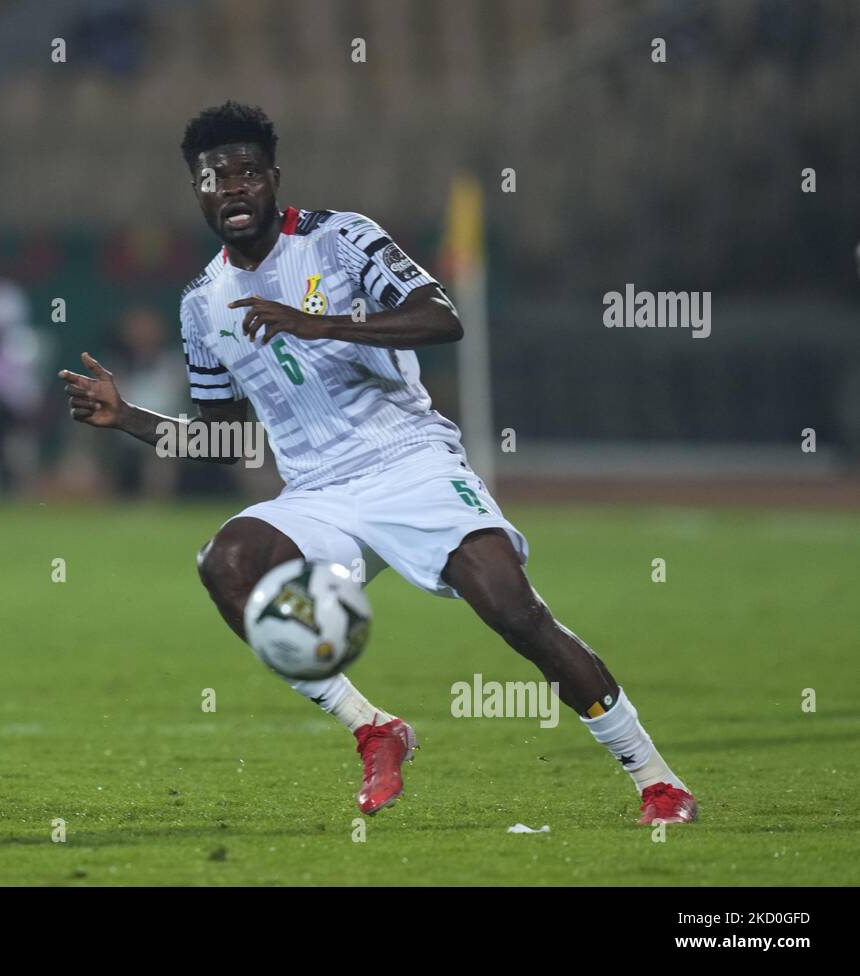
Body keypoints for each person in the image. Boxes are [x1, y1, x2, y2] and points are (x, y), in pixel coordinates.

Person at [59, 101, 696, 824]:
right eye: (212, 179)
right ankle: (373, 727)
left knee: (514, 613)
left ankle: (656, 779)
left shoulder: (339, 238)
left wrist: (320, 322)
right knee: (225, 560)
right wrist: (127, 419)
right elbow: (226, 438)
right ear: (197, 193)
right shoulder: (203, 303)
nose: (230, 188)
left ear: (273, 178)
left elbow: (442, 317)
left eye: (244, 173)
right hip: (318, 492)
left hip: (410, 461)